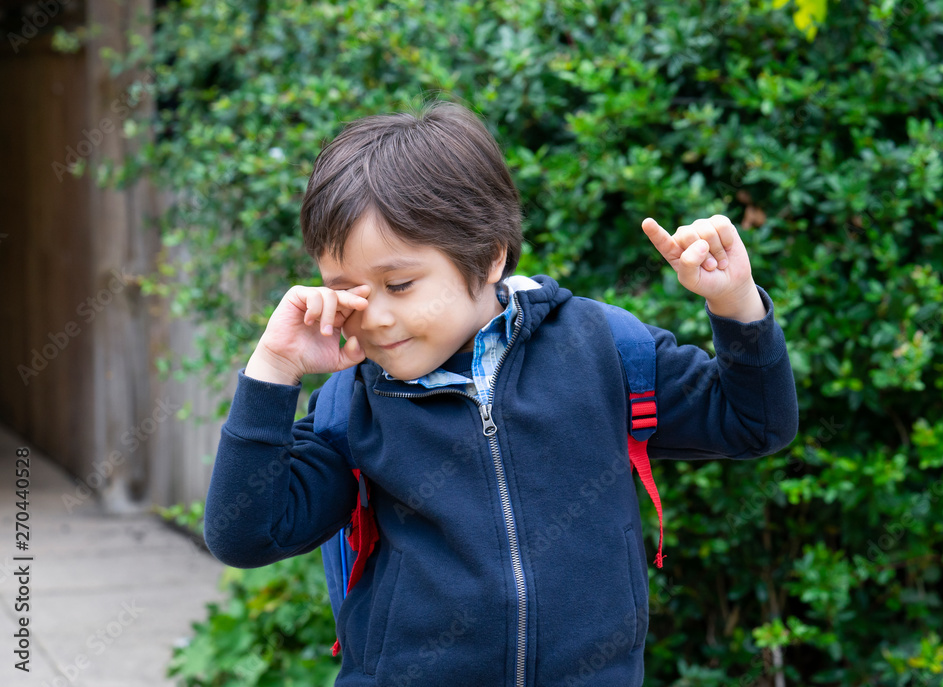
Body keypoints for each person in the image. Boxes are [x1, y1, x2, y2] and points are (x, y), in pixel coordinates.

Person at [203, 99, 799, 687]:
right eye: (349, 292)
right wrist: (275, 368)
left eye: (400, 284)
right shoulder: (349, 406)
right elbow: (245, 534)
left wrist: (735, 303)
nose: (375, 317)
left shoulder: (603, 350)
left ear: (487, 257)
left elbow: (755, 423)